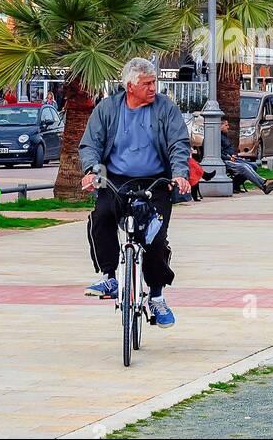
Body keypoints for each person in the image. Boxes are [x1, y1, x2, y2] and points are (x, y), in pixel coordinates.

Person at [79, 57, 191, 327]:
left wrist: (179, 174)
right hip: (116, 180)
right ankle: (110, 277)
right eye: (147, 84)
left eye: (154, 82)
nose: (153, 88)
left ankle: (156, 295)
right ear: (130, 86)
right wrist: (93, 171)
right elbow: (90, 144)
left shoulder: (166, 108)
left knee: (154, 238)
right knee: (101, 217)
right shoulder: (107, 109)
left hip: (155, 183)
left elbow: (179, 143)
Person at [220, 118, 273, 195]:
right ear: (219, 126)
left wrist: (232, 156)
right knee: (244, 167)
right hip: (224, 161)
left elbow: (225, 150)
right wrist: (229, 157)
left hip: (232, 158)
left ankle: (236, 185)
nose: (228, 127)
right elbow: (219, 154)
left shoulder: (224, 136)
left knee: (253, 165)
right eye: (226, 125)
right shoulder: (215, 138)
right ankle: (263, 185)